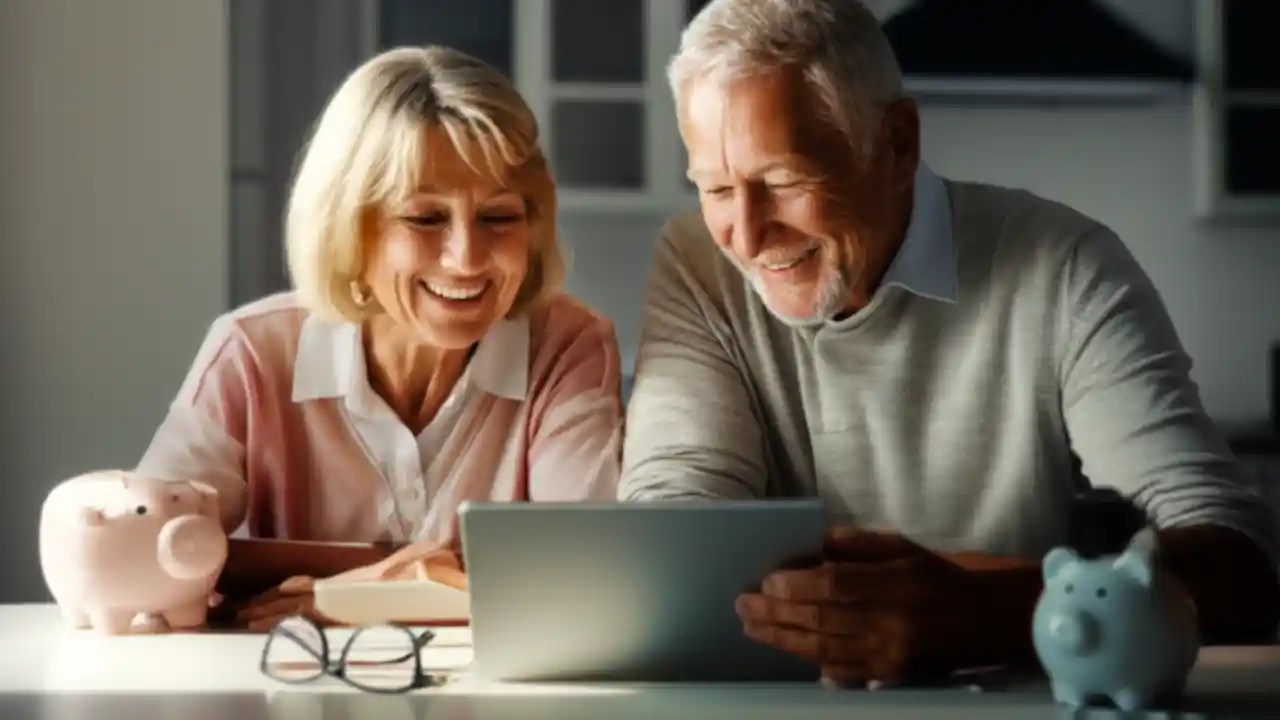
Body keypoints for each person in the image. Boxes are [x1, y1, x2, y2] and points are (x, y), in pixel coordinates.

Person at [621, 0, 1280, 685]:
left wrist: (993, 610)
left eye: (785, 182)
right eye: (717, 188)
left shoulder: (1065, 266)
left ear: (898, 145)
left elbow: (1240, 560)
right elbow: (676, 543)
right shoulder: (698, 265)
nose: (748, 237)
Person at [139, 46, 623, 631]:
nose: (466, 258)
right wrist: (445, 576)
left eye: (499, 218)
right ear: (348, 226)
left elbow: (591, 578)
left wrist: (362, 593)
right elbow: (140, 562)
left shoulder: (569, 345)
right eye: (425, 218)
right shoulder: (250, 353)